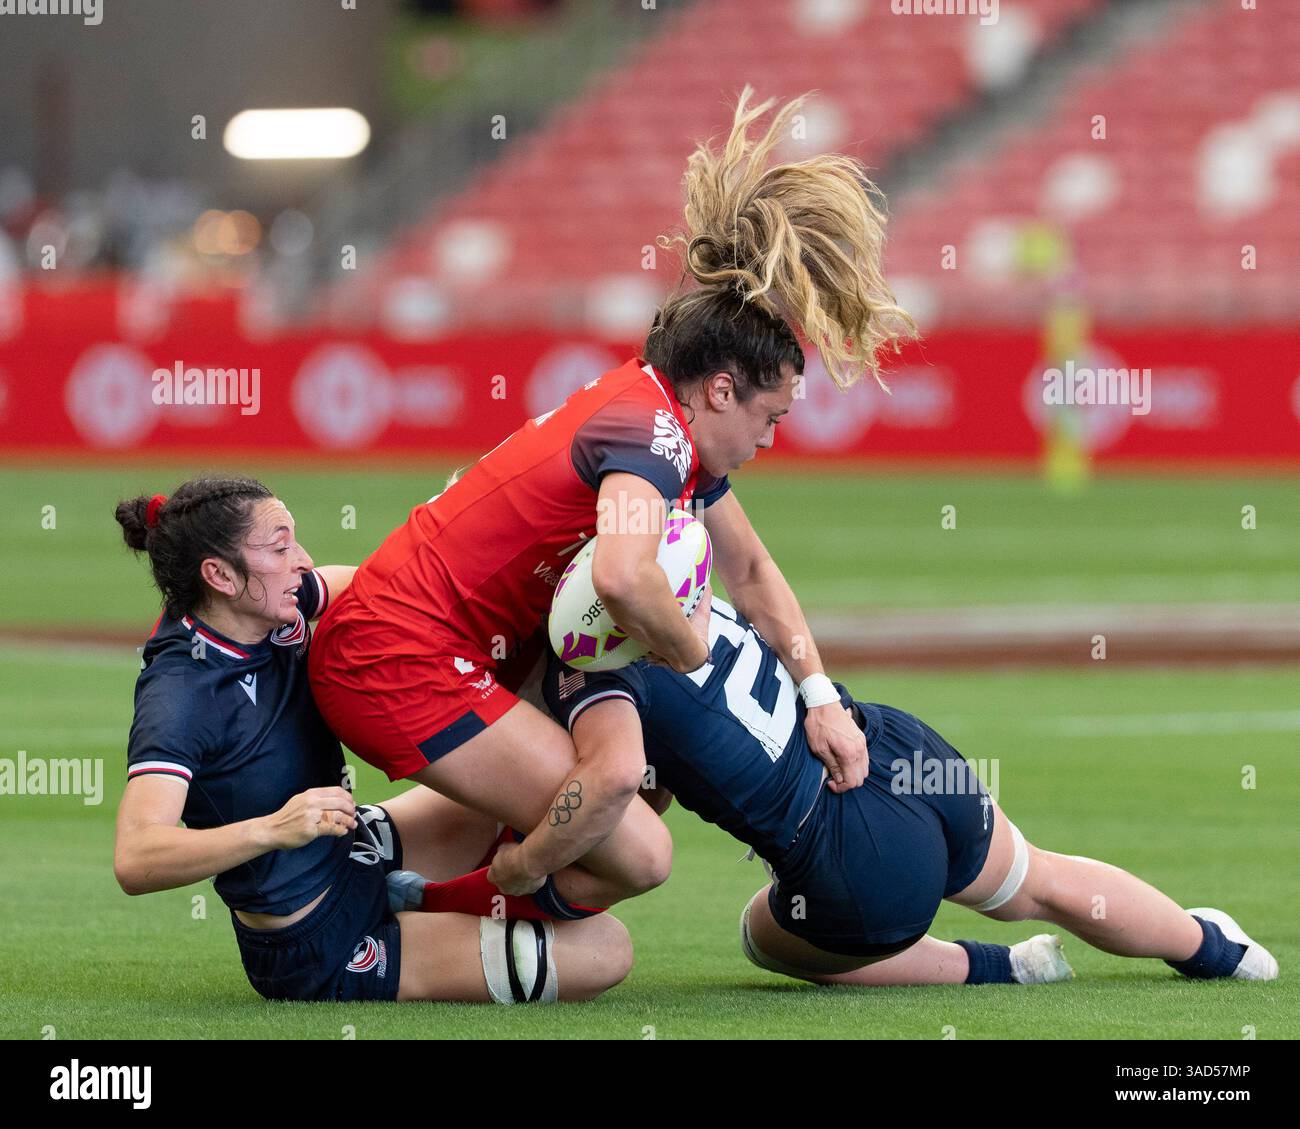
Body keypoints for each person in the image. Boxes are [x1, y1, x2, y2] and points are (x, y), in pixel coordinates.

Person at [308, 85, 915, 917]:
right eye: (769, 419)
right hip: (404, 660)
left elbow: (750, 567)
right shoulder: (651, 438)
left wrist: (820, 699)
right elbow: (628, 577)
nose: (769, 441)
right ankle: (448, 904)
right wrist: (696, 663)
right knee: (632, 834)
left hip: (443, 646)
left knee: (638, 778)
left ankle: (392, 866)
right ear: (721, 389)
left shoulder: (662, 420)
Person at [541, 592, 1279, 987]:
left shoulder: (603, 673)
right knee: (1044, 877)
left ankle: (998, 965)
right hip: (884, 741)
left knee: (761, 937)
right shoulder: (685, 566)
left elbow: (629, 801)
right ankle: (1214, 949)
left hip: (855, 860)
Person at [113, 476, 631, 1004]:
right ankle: (422, 908)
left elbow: (360, 588)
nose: (302, 558)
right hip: (316, 941)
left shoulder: (266, 608)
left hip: (353, 846)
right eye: (279, 547)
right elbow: (136, 857)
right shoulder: (181, 694)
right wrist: (271, 829)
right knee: (606, 949)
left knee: (526, 795)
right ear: (219, 574)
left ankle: (414, 897)